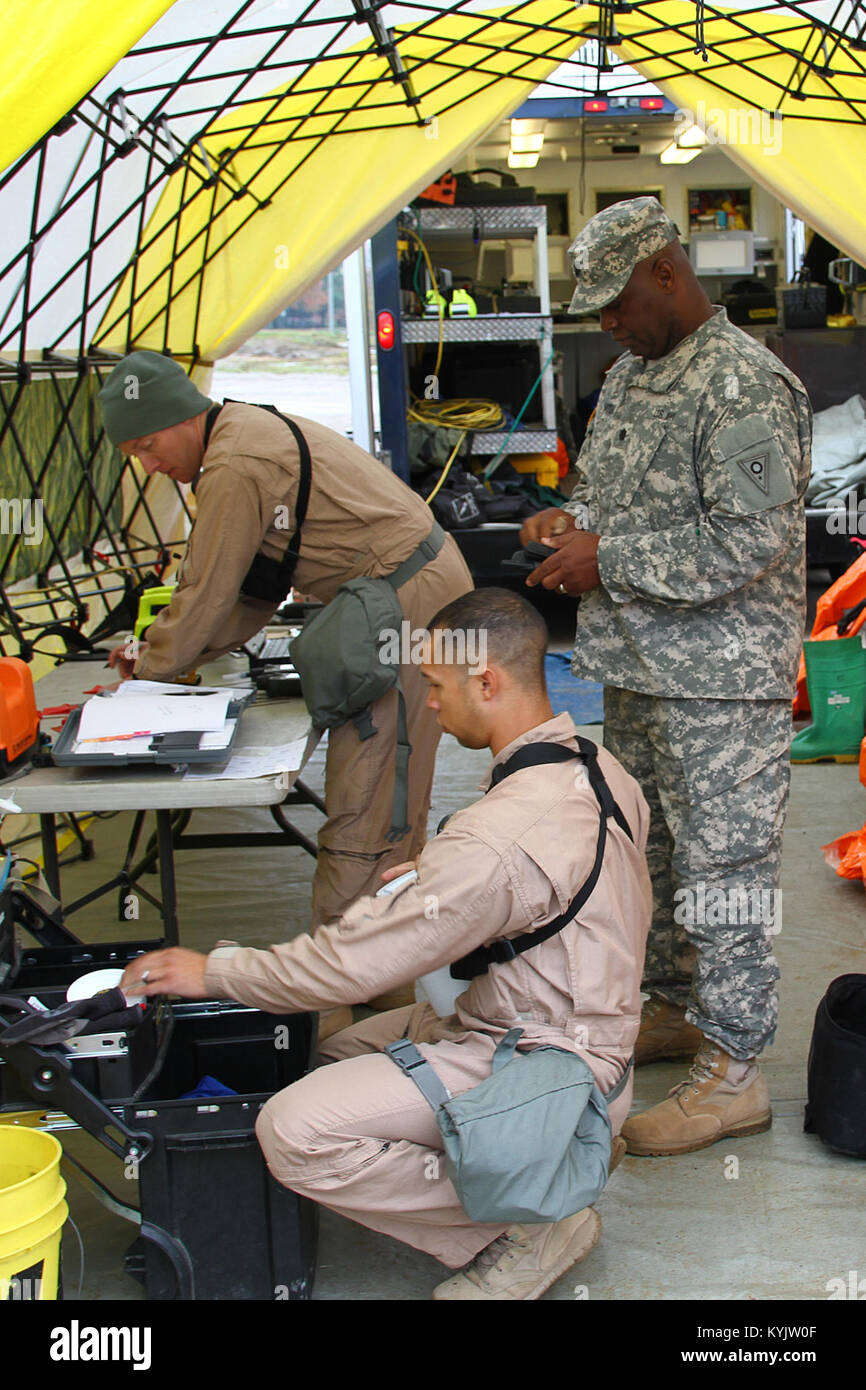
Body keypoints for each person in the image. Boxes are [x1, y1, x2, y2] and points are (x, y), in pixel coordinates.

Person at [120, 588, 652, 1301]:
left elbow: (345, 966)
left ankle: (527, 1219)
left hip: (549, 1060)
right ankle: (541, 1158)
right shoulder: (591, 763)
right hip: (570, 1024)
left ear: (487, 682)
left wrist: (214, 971)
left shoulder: (494, 842)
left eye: (435, 686)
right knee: (331, 1057)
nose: (428, 705)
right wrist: (440, 881)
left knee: (294, 1130)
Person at [521, 196, 812, 1157]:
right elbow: (603, 493)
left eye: (615, 302)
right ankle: (680, 1011)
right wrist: (565, 523)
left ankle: (735, 1076)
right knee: (652, 858)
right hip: (640, 669)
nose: (606, 322)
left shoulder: (744, 385)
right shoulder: (634, 375)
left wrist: (608, 559)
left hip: (724, 682)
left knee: (728, 874)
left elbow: (757, 538)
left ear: (665, 272)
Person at [98, 351, 473, 934]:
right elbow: (254, 591)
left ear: (179, 417)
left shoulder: (232, 464)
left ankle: (354, 973)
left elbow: (205, 590)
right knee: (385, 788)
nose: (148, 466)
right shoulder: (238, 434)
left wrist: (152, 665)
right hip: (404, 593)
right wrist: (165, 657)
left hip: (406, 604)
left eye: (146, 447)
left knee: (371, 792)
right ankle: (385, 958)